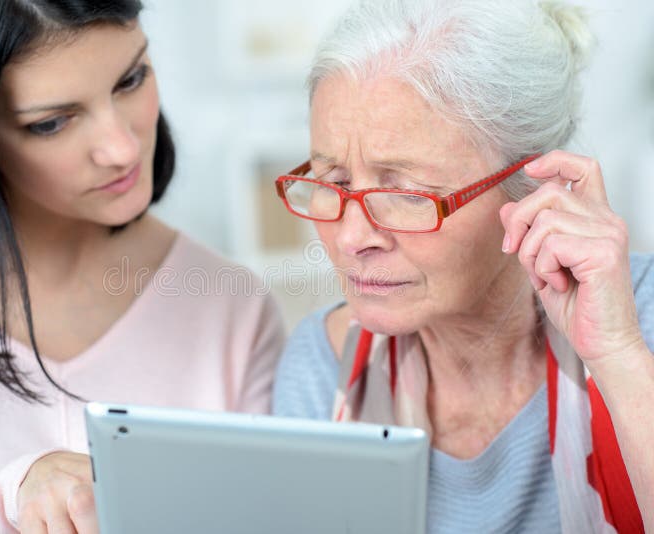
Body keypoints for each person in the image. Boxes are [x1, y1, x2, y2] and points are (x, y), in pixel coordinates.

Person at [0, 1, 284, 532]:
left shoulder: (233, 310)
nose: (121, 149)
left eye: (131, 79)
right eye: (52, 122)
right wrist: (11, 505)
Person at [272, 0, 652, 532]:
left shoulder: (640, 317)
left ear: (532, 185)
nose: (352, 239)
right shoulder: (320, 368)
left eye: (407, 193)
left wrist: (617, 354)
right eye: (332, 180)